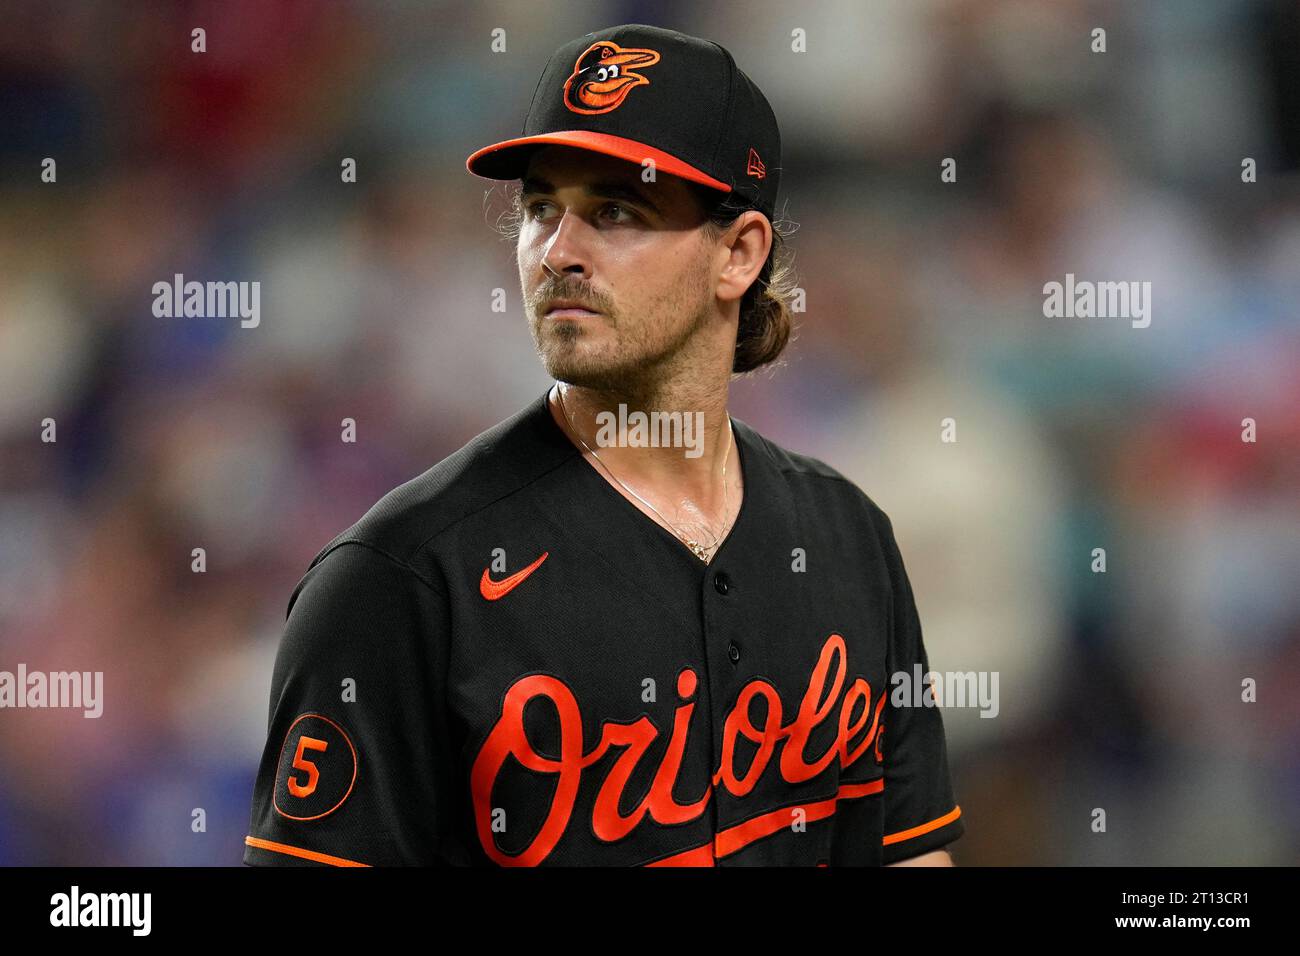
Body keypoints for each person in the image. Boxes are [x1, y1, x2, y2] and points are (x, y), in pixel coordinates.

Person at [243, 23, 963, 867]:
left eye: (616, 211)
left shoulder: (847, 538)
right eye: (542, 208)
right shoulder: (400, 580)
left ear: (738, 253)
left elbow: (908, 857)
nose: (559, 253)